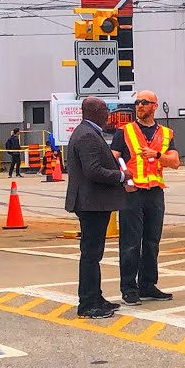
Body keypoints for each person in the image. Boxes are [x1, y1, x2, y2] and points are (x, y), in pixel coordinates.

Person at [111, 90, 180, 305]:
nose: (139, 106)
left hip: (155, 192)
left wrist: (157, 155)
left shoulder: (166, 133)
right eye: (137, 102)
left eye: (144, 102)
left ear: (154, 106)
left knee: (152, 241)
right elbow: (113, 160)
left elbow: (175, 162)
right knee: (130, 242)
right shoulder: (124, 132)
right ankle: (129, 288)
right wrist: (123, 180)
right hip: (132, 192)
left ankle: (148, 285)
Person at [65, 96, 130, 319]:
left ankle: (96, 296)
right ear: (94, 112)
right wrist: (121, 175)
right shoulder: (87, 136)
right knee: (91, 255)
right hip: (91, 203)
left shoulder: (87, 132)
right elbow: (93, 171)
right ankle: (87, 304)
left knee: (94, 254)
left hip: (93, 202)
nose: (108, 114)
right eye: (104, 110)